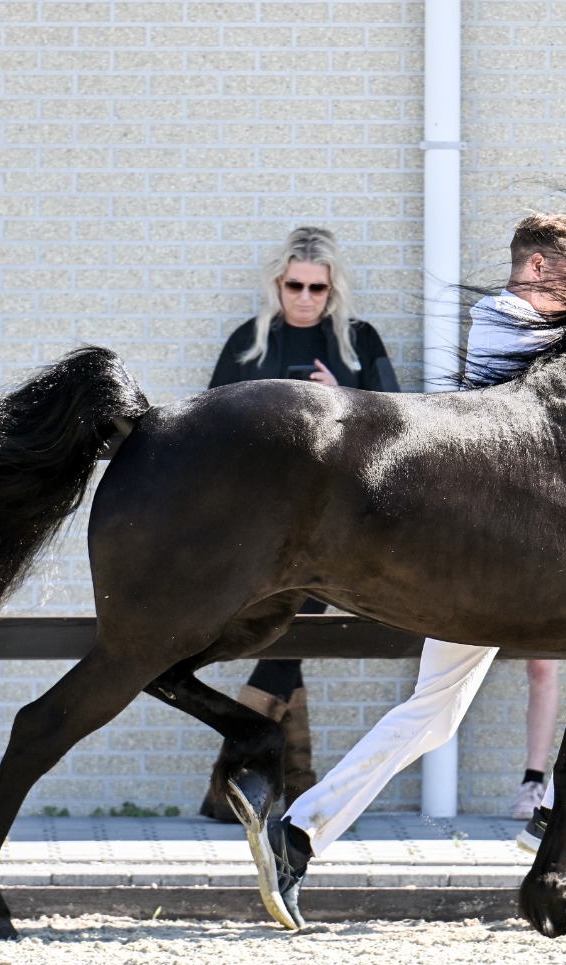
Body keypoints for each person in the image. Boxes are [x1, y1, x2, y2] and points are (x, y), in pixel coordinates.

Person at [255, 214, 566, 930]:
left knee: (434, 714)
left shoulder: (541, 325)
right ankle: (553, 807)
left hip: (507, 556)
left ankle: (298, 832)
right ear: (536, 269)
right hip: (498, 558)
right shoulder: (504, 317)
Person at [196, 226, 399, 822]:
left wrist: (342, 397)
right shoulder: (251, 343)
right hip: (261, 526)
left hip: (339, 526)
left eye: (317, 287)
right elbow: (208, 422)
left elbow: (399, 420)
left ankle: (231, 782)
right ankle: (291, 779)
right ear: (277, 284)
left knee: (287, 637)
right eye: (295, 286)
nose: (305, 297)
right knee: (285, 637)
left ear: (332, 289)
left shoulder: (357, 342)